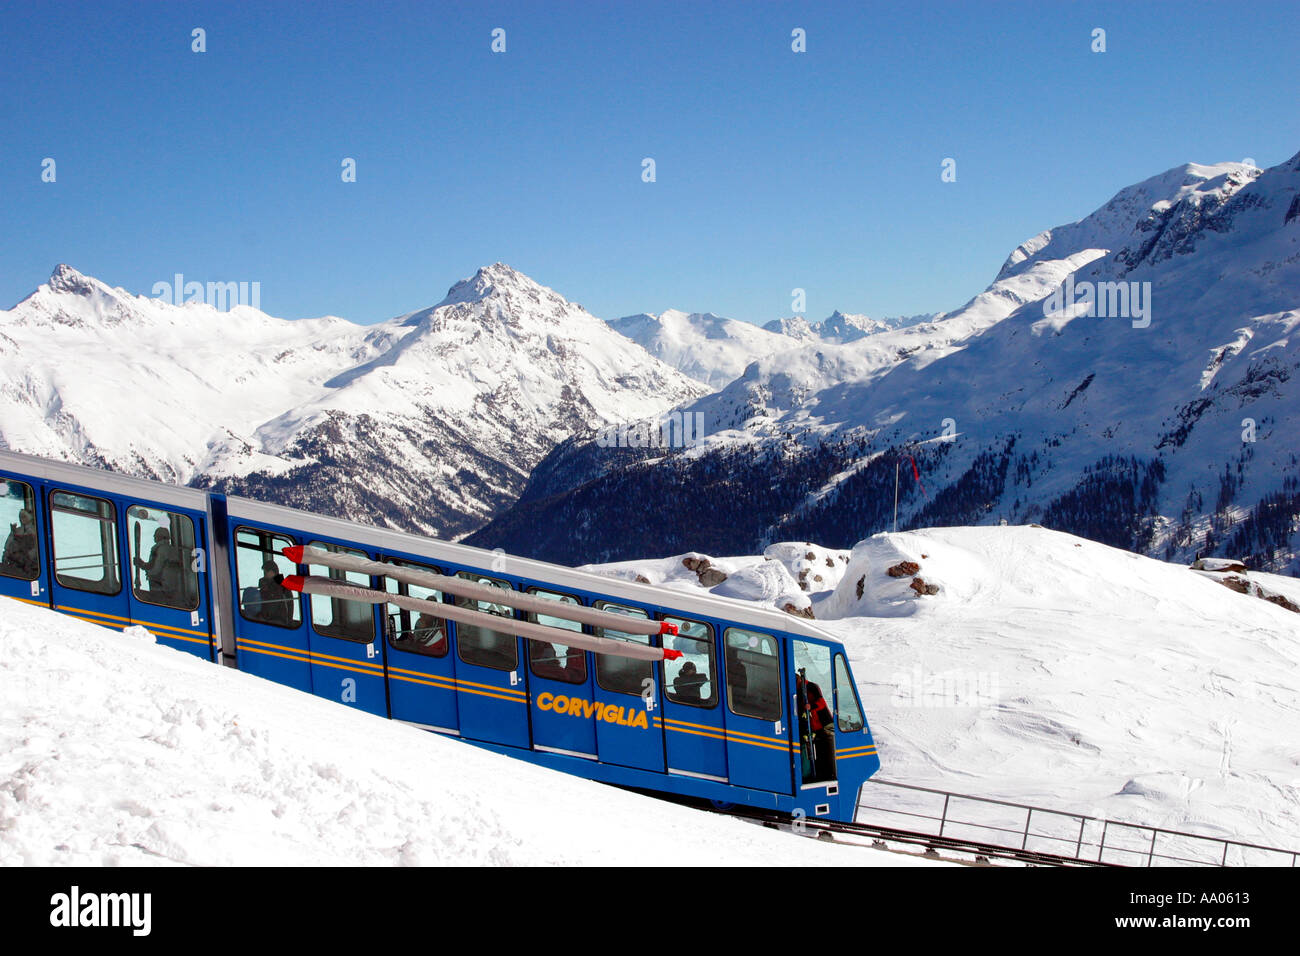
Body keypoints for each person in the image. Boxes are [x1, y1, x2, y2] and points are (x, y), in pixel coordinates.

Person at [134, 527, 182, 601]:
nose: (154, 537)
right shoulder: (172, 549)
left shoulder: (159, 549)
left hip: (160, 587)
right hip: (173, 588)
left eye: (156, 535)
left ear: (160, 536)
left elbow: (155, 569)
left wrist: (142, 564)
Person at [1, 508, 38, 579]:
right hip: (13, 564)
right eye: (20, 517)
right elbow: (7, 546)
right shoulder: (16, 531)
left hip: (28, 566)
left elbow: (36, 549)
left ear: (30, 518)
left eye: (24, 517)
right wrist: (5, 557)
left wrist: (26, 558)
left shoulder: (35, 532)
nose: (22, 519)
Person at [258, 560, 293, 625]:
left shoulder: (279, 586)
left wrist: (263, 616)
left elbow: (273, 604)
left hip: (277, 619)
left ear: (271, 572)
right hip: (270, 617)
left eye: (265, 573)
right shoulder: (269, 584)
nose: (264, 576)